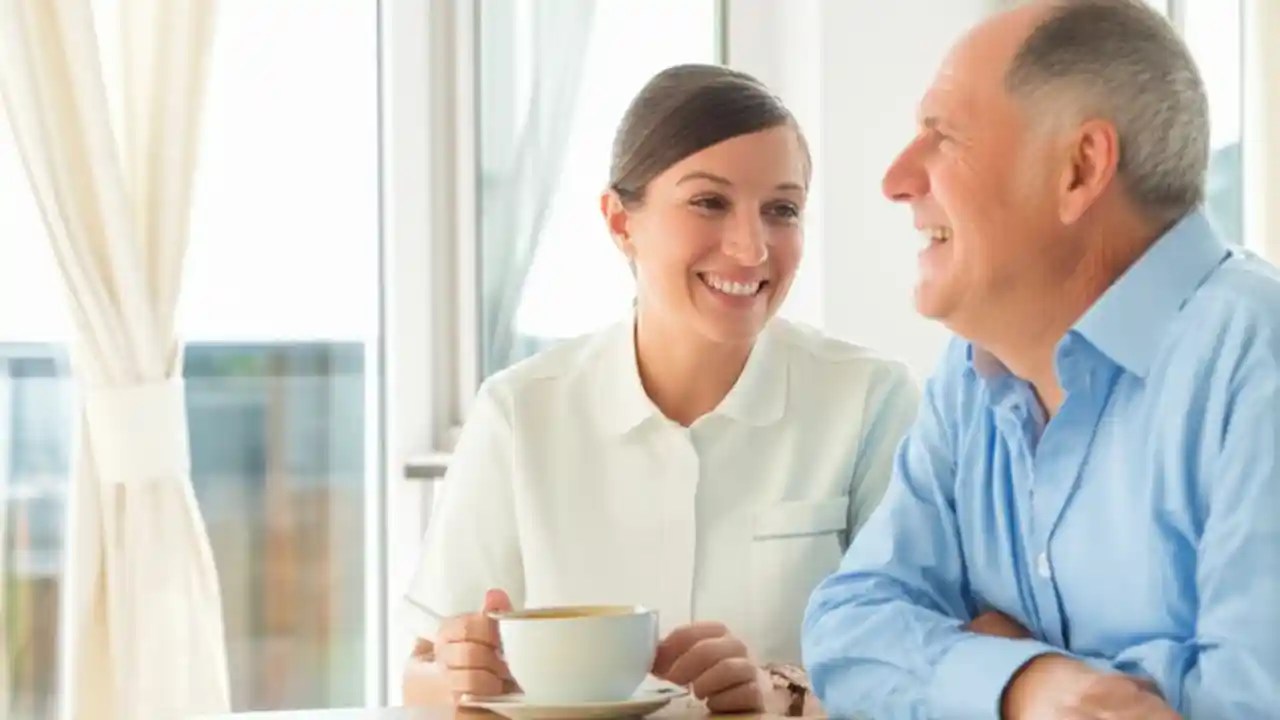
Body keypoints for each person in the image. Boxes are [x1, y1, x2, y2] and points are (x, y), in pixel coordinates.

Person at [802, 1, 1280, 719]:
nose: (897, 178)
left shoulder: (1256, 358)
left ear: (1079, 168)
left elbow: (1247, 703)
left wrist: (974, 662)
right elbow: (848, 629)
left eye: (943, 136)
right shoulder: (972, 372)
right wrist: (1028, 685)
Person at [401, 64, 918, 715]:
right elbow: (420, 669)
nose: (752, 248)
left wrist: (783, 692)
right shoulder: (520, 411)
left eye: (782, 210)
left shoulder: (869, 399)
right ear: (620, 222)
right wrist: (460, 668)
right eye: (710, 202)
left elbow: (914, 657)